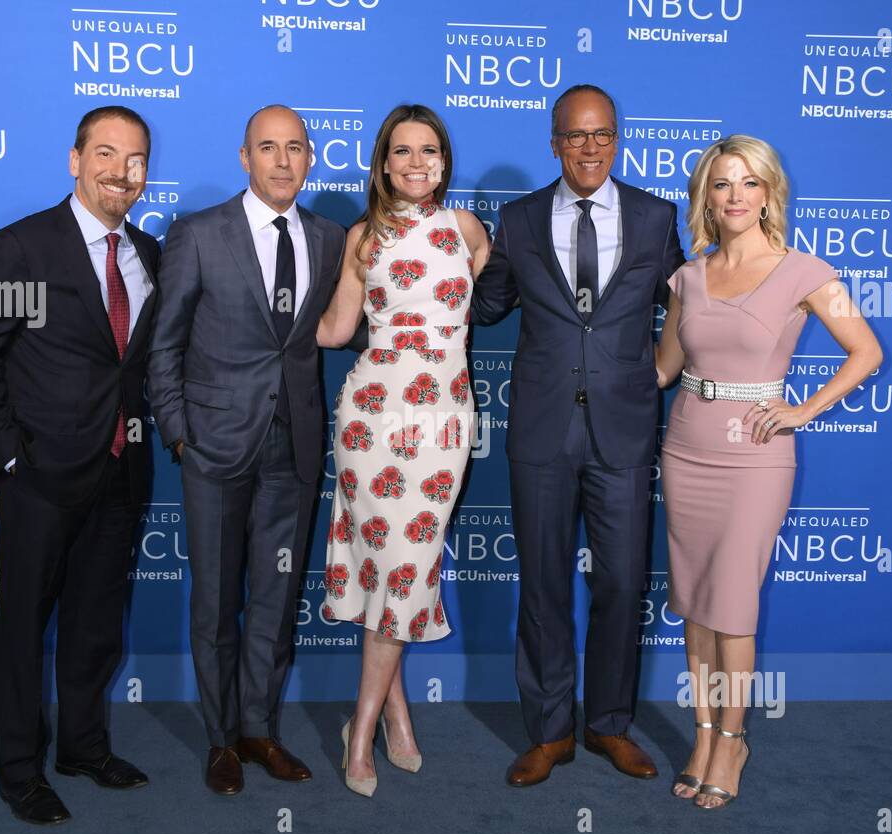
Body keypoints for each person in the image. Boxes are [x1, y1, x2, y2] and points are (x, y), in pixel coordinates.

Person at [0, 105, 160, 825]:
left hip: (120, 472)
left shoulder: (147, 255)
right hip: (39, 475)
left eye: (133, 161)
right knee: (22, 626)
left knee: (97, 623)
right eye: (104, 154)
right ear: (74, 160)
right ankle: (18, 771)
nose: (119, 172)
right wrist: (7, 456)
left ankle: (84, 747)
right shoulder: (24, 249)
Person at [656, 134, 882, 808]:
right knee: (695, 607)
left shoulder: (804, 271)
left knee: (732, 607)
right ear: (707, 195)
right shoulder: (687, 277)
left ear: (768, 193)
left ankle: (732, 740)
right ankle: (701, 733)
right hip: (686, 446)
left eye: (749, 183)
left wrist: (803, 409)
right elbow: (663, 370)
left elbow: (865, 350)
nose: (736, 196)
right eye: (723, 184)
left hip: (755, 457)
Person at [469, 84, 685, 787]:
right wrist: (444, 253)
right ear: (554, 141)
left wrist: (668, 368)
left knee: (623, 583)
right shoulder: (520, 219)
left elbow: (685, 304)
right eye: (575, 135)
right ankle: (551, 730)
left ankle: (608, 724)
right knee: (542, 585)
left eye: (602, 135)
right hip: (540, 431)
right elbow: (487, 305)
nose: (589, 147)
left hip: (623, 431)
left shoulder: (656, 219)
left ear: (616, 140)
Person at [147, 106, 348, 796]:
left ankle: (260, 729)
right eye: (269, 148)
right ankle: (219, 739)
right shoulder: (199, 234)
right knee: (214, 602)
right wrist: (178, 433)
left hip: (292, 451)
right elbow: (164, 344)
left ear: (310, 157)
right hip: (214, 449)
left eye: (296, 148)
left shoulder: (329, 238)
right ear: (244, 158)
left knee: (276, 596)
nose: (283, 161)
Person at [317, 104, 489, 797]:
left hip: (444, 420)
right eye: (403, 152)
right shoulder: (363, 236)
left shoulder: (470, 230)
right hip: (372, 416)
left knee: (409, 563)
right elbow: (334, 330)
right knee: (389, 561)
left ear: (444, 161)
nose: (417, 163)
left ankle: (375, 720)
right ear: (383, 163)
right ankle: (375, 726)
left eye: (430, 151)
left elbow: (480, 310)